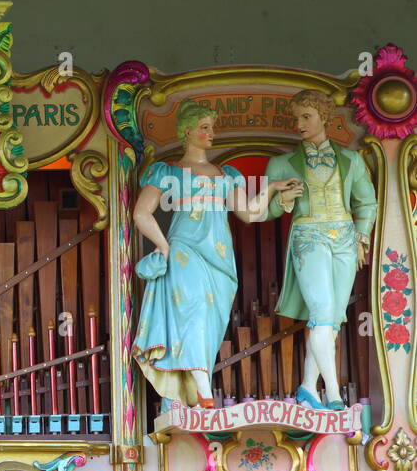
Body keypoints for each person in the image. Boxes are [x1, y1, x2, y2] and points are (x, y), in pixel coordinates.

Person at [132, 100, 291, 407]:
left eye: (212, 127)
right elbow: (141, 213)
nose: (211, 133)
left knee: (209, 321)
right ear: (187, 131)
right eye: (204, 127)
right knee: (195, 313)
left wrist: (271, 189)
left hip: (220, 259)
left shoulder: (226, 174)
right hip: (185, 252)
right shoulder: (168, 172)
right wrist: (163, 245)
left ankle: (185, 393)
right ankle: (204, 391)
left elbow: (248, 213)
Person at [265, 90, 378, 410]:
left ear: (323, 118)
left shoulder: (351, 160)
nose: (298, 123)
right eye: (296, 117)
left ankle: (305, 387)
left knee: (332, 319)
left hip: (344, 237)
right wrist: (284, 199)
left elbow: (366, 203)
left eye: (306, 116)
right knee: (322, 312)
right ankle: (333, 393)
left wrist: (360, 238)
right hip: (308, 236)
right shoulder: (282, 163)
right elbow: (268, 210)